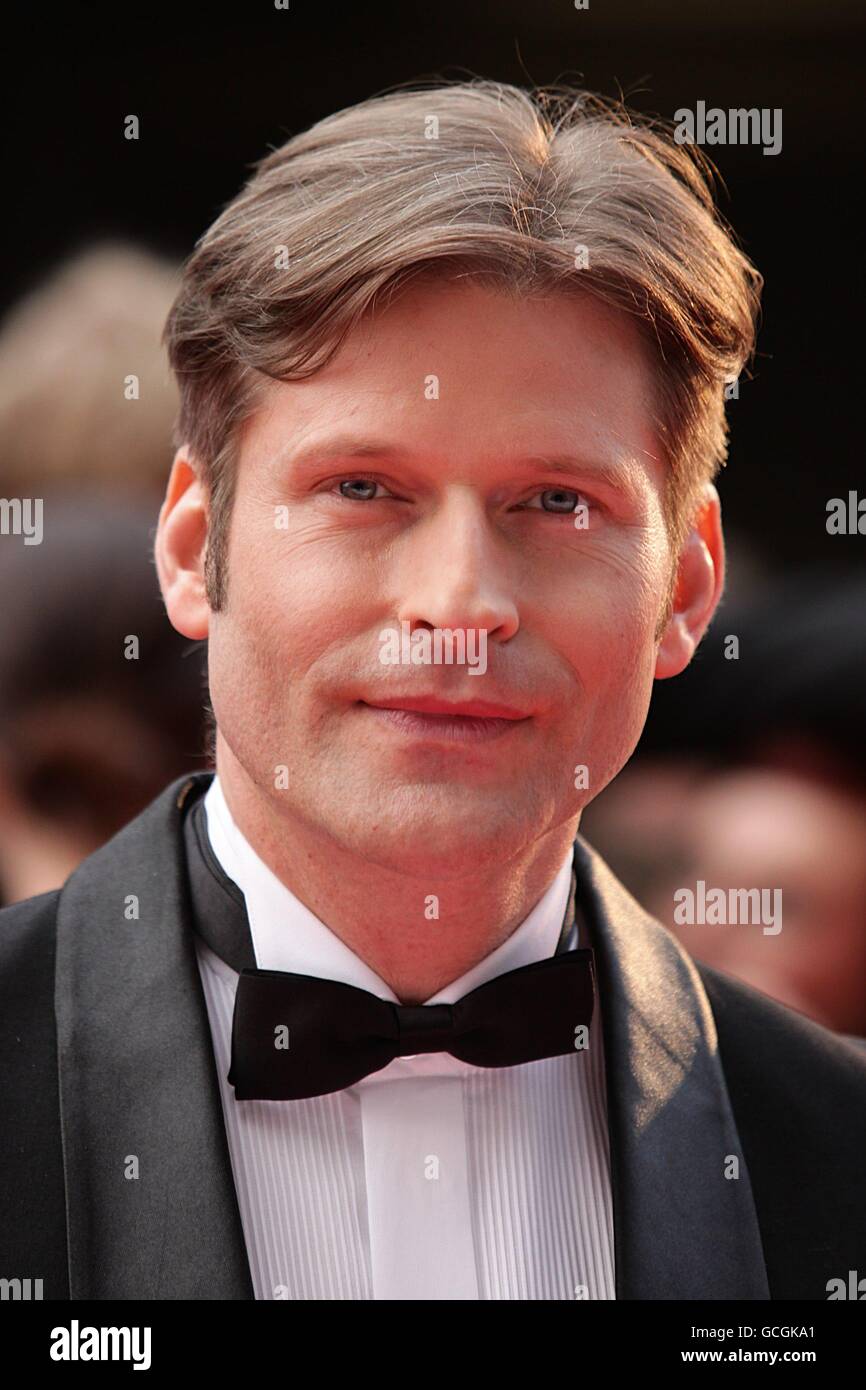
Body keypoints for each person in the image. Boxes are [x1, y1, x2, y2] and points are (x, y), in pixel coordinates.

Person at [1, 79, 863, 1302]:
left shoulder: (835, 1151)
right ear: (196, 546)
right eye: (364, 489)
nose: (459, 606)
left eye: (556, 502)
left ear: (683, 582)